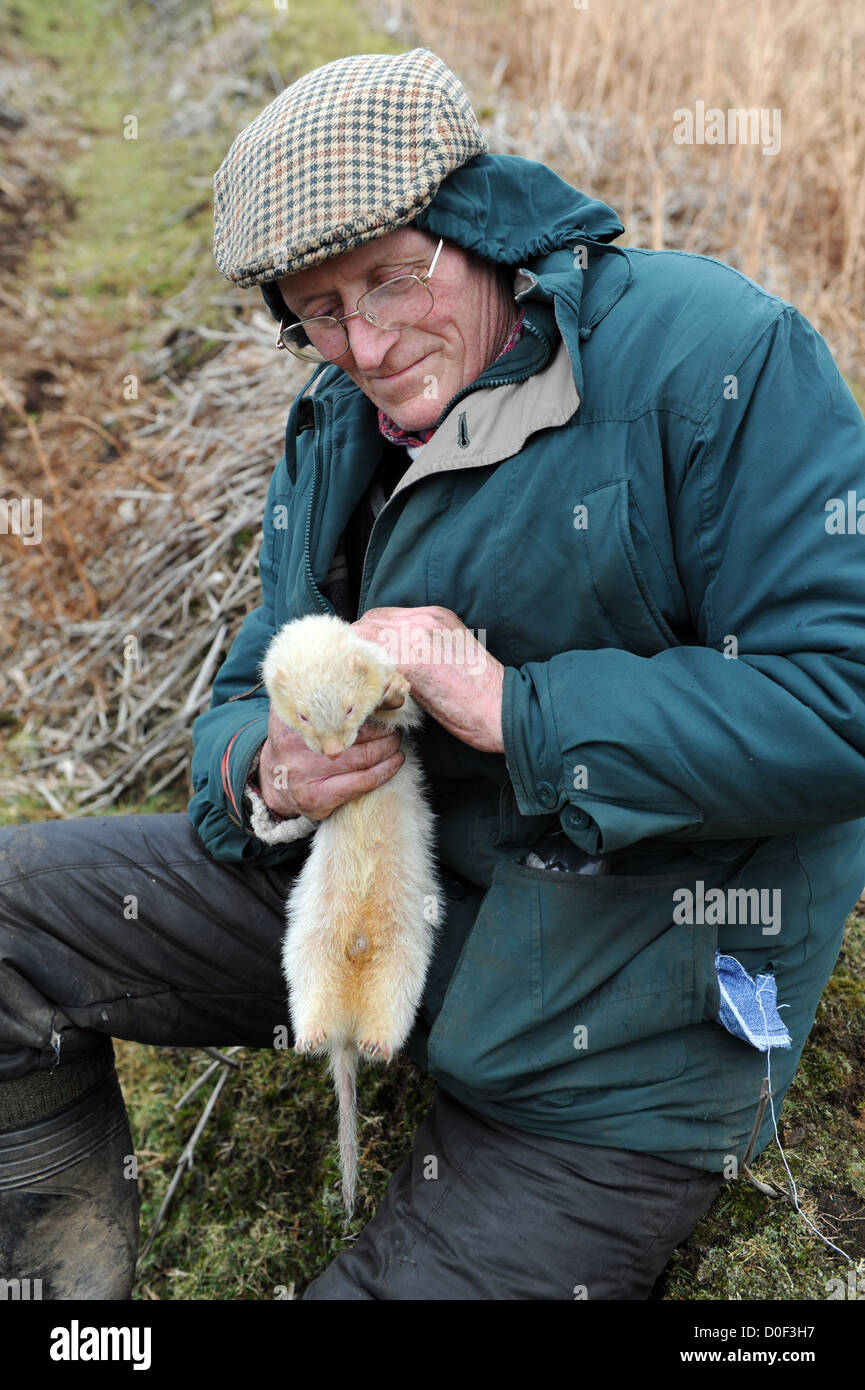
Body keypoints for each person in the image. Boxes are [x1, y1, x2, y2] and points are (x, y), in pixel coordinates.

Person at [1, 46, 864, 1302]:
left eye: (393, 278)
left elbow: (840, 704)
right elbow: (242, 692)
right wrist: (269, 772)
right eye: (319, 309)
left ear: (481, 221)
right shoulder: (338, 425)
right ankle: (61, 1286)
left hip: (624, 1024)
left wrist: (517, 708)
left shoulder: (717, 362)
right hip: (382, 907)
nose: (366, 340)